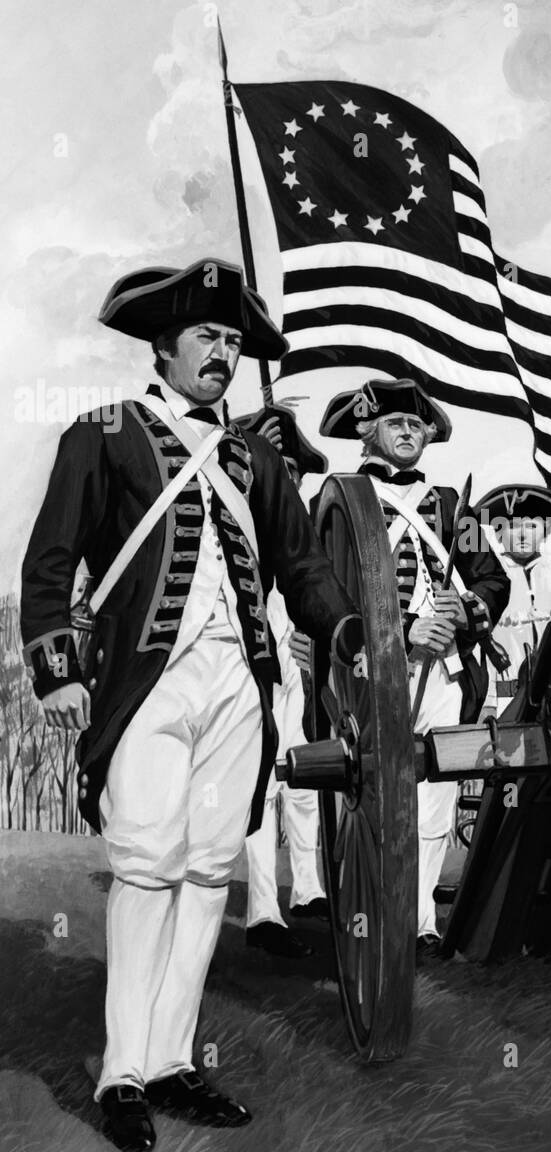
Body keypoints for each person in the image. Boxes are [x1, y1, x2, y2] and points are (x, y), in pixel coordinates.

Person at [20, 259, 363, 1152]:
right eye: (207, 338)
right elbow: (51, 560)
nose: (223, 354)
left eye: (233, 341)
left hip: (237, 684)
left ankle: (173, 1061)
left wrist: (348, 632)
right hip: (146, 682)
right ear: (163, 344)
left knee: (210, 870)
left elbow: (301, 566)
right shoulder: (103, 433)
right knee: (145, 868)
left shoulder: (253, 456)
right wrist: (58, 668)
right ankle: (121, 1072)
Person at [320, 379, 509, 958]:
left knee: (434, 804)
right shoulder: (340, 498)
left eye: (416, 425)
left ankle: (421, 918)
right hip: (372, 673)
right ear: (365, 431)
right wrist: (401, 632)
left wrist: (466, 609)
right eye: (395, 423)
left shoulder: (453, 505)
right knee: (377, 796)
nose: (408, 433)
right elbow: (326, 589)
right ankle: (372, 913)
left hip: (445, 671)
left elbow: (491, 578)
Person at [234, 404, 331, 958]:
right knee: (263, 782)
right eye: (277, 472)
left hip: (299, 667)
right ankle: (264, 910)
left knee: (305, 778)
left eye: (292, 474)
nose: (287, 484)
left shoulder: (307, 537)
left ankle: (309, 887)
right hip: (255, 659)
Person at [474, 484, 551, 709]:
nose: (522, 535)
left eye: (532, 526)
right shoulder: (490, 582)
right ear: (498, 533)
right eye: (511, 526)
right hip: (503, 701)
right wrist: (488, 705)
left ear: (547, 531)